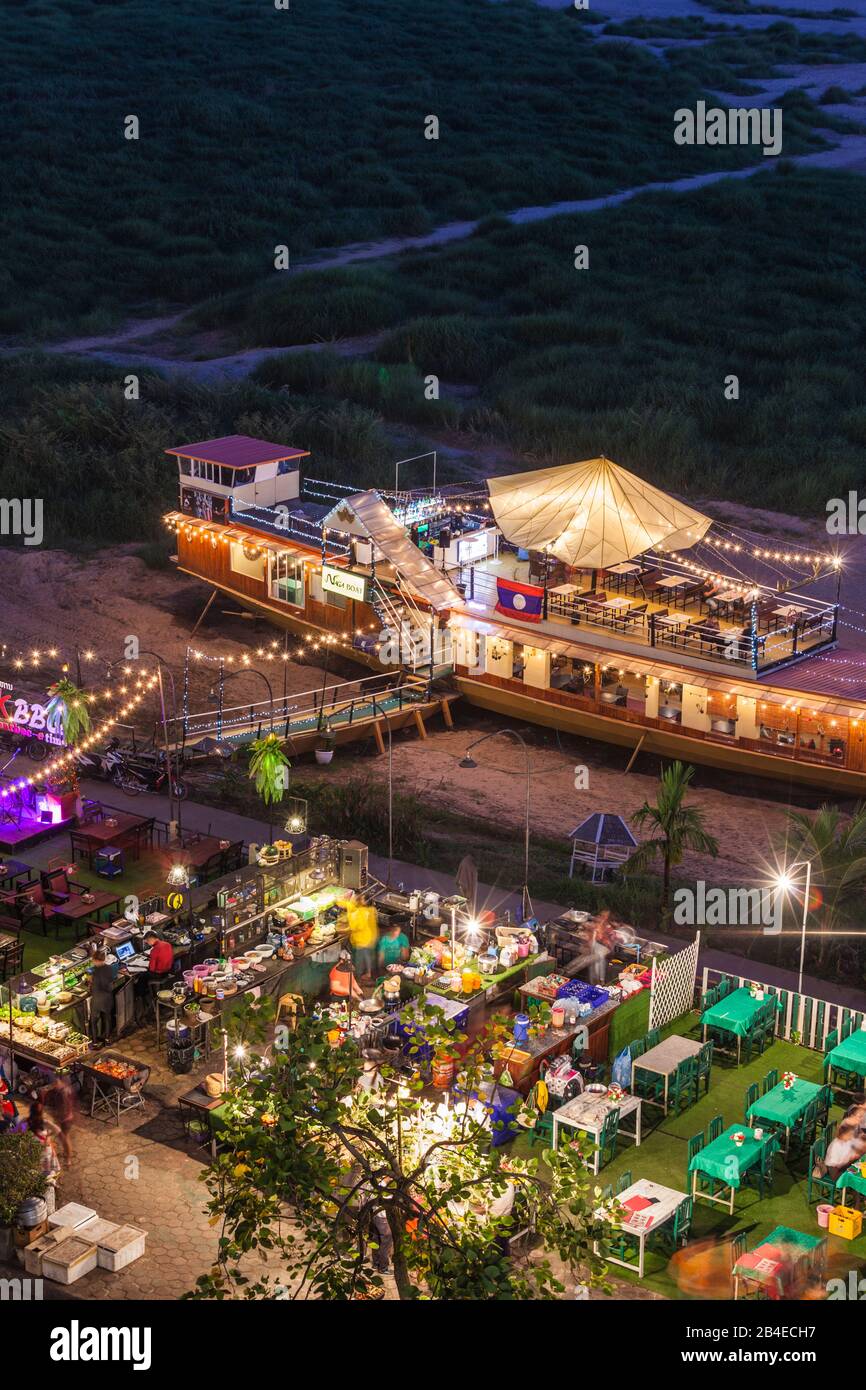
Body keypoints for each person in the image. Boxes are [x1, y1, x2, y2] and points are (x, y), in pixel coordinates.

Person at [41, 1071, 77, 1165]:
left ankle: (68, 1158)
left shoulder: (63, 1092)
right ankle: (66, 1153)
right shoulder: (63, 1088)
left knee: (65, 1138)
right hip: (65, 1117)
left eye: (55, 1082)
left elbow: (64, 1107)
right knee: (61, 1136)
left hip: (66, 1119)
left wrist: (59, 1117)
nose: (53, 1084)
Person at [89, 949, 115, 1047]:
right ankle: (107, 1039)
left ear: (96, 960)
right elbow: (111, 980)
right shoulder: (109, 968)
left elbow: (93, 985)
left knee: (94, 1020)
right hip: (108, 998)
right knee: (107, 1018)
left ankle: (95, 1042)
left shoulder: (94, 971)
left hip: (97, 999)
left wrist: (90, 982)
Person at [348, 903, 378, 983]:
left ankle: (360, 977)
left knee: (361, 959)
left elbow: (356, 927)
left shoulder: (362, 913)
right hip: (367, 939)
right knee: (367, 957)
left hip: (363, 941)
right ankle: (367, 974)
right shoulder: (370, 911)